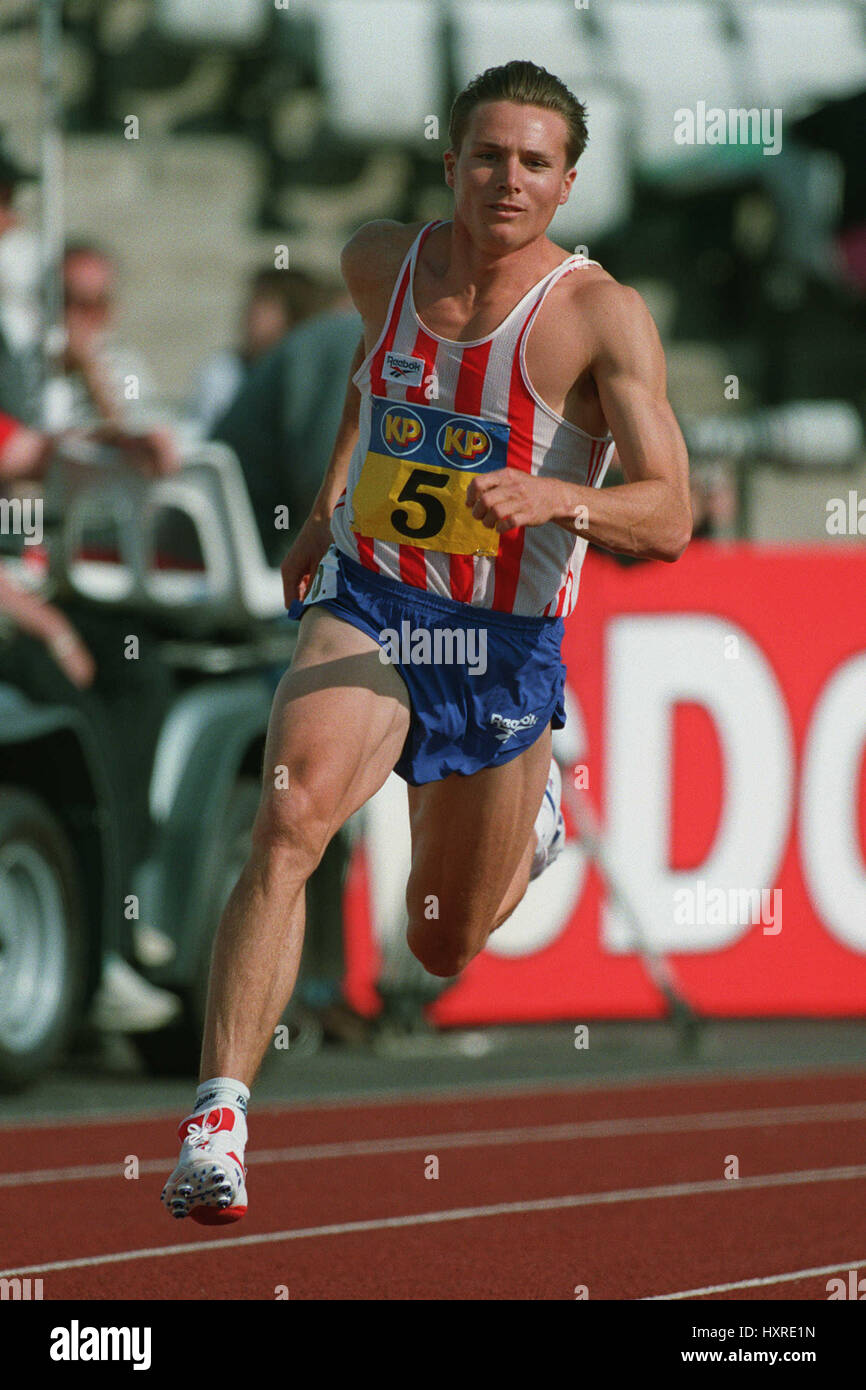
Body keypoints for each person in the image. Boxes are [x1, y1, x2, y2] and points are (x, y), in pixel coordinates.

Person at [161, 60, 691, 1224]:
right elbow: (372, 378)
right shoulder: (377, 262)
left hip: (501, 646)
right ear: (449, 161)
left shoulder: (598, 316)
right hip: (376, 597)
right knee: (290, 811)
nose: (508, 179)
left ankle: (533, 813)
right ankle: (217, 1119)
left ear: (565, 184)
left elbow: (671, 510)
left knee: (440, 941)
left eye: (534, 163)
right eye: (488, 155)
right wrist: (323, 508)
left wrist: (564, 503)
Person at [190, 265, 326, 436]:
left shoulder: (312, 375)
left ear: (294, 315)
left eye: (264, 305)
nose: (249, 314)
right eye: (251, 302)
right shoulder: (223, 369)